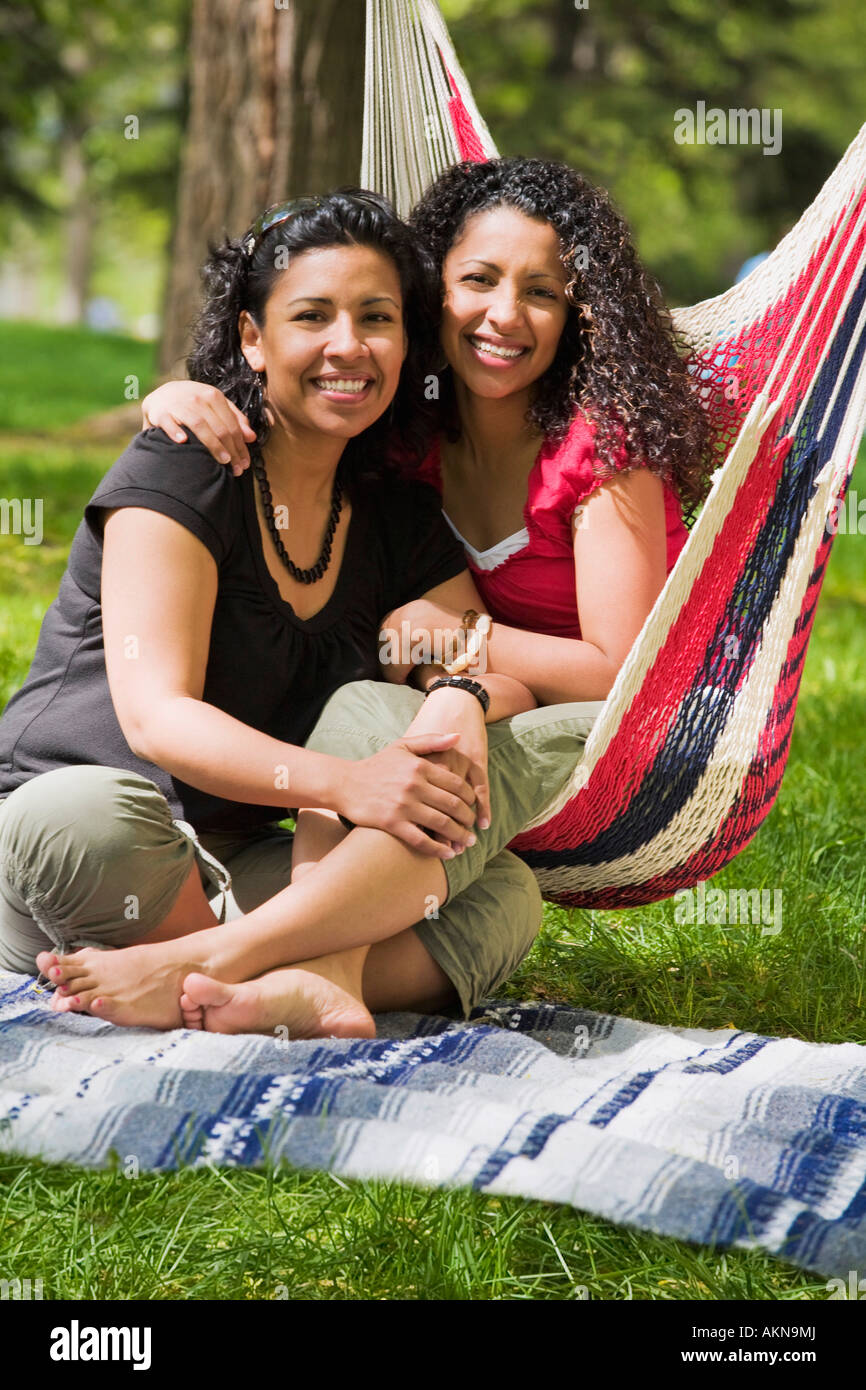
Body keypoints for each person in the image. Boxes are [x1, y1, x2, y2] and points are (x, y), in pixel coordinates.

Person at [0, 189, 602, 1038]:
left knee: (501, 893)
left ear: (407, 342)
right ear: (253, 338)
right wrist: (352, 784)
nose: (347, 346)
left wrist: (458, 700)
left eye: (377, 318)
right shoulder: (187, 466)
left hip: (236, 865)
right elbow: (157, 719)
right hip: (93, 837)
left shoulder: (393, 514)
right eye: (312, 316)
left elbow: (476, 663)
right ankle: (269, 966)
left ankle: (226, 976)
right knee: (83, 820)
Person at [143, 158, 714, 873]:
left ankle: (284, 964)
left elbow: (622, 672)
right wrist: (177, 397)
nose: (504, 315)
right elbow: (292, 415)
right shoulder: (415, 442)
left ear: (574, 316)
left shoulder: (598, 448)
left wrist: (456, 638)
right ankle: (306, 945)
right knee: (364, 712)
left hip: (614, 733)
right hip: (480, 698)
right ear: (430, 294)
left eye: (541, 293)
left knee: (426, 760)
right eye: (478, 280)